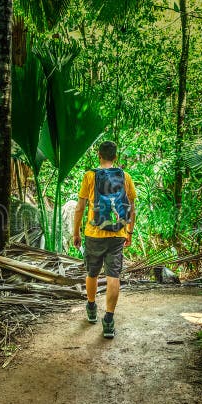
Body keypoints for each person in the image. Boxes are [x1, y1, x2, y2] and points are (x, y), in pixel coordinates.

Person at [72, 141, 136, 338]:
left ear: (99, 155)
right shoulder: (125, 176)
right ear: (115, 157)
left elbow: (80, 207)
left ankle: (91, 307)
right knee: (113, 276)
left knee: (92, 273)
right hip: (118, 233)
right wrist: (130, 232)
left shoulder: (90, 176)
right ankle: (108, 320)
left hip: (94, 233)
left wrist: (76, 232)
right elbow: (132, 206)